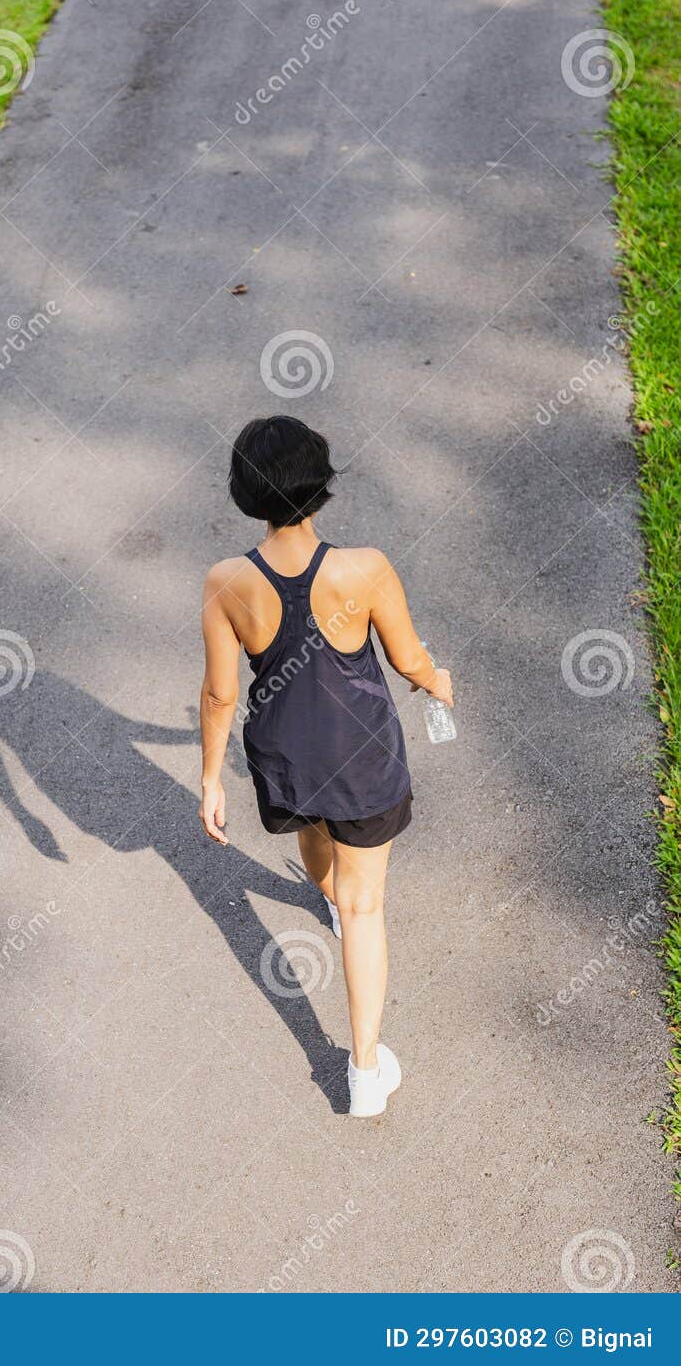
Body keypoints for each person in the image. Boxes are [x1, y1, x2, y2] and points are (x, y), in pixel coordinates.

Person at [198, 415, 454, 1117]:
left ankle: (330, 903)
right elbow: (407, 658)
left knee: (313, 825)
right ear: (321, 485)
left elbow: (222, 693)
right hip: (364, 759)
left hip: (284, 757)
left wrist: (211, 778)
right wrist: (436, 682)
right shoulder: (364, 568)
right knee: (368, 904)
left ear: (243, 492)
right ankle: (365, 1071)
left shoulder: (226, 582)